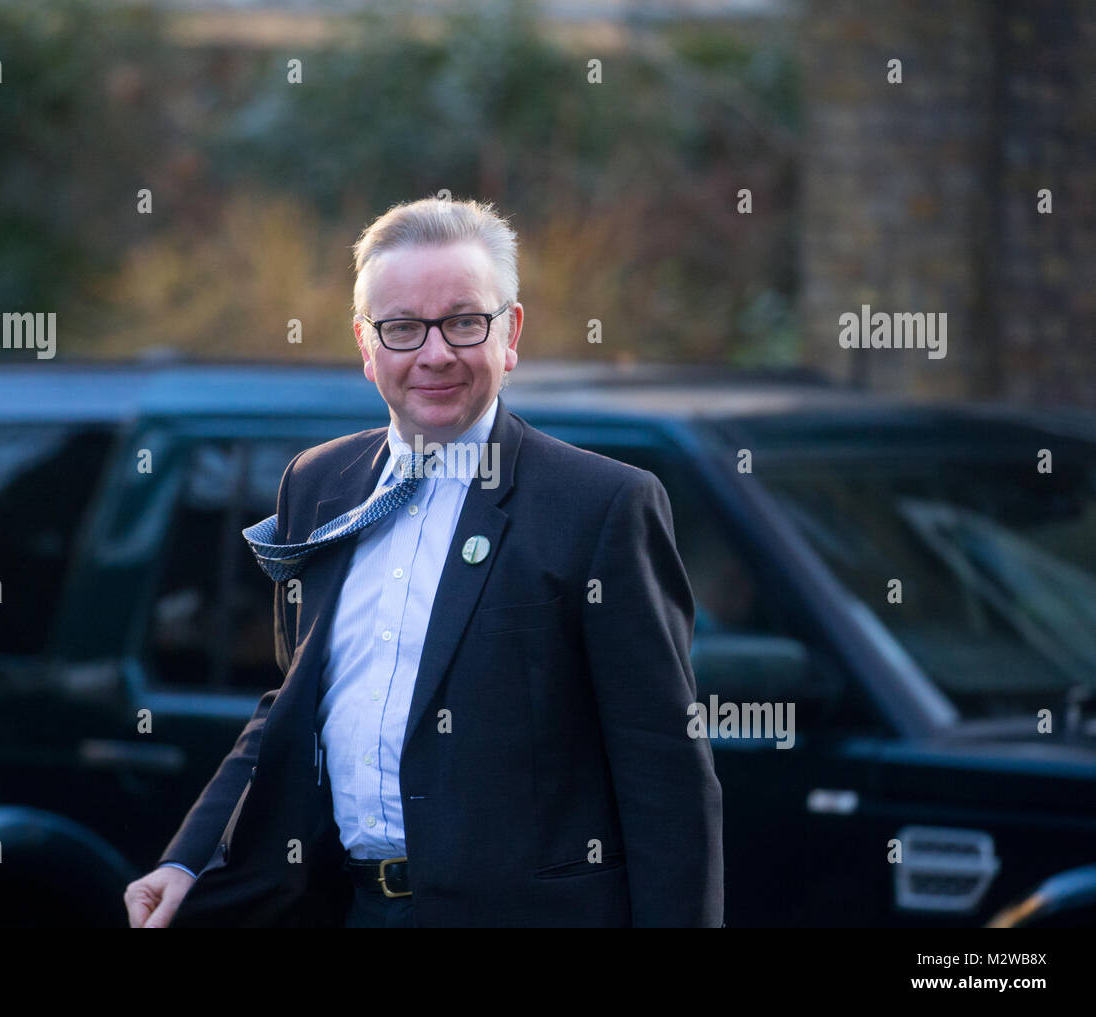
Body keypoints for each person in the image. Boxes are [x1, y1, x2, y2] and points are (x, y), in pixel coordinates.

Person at [123, 196, 723, 928]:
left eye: (464, 321)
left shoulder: (601, 505)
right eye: (403, 327)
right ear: (365, 345)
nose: (434, 353)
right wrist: (190, 857)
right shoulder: (318, 484)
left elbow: (666, 777)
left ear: (511, 333)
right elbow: (294, 702)